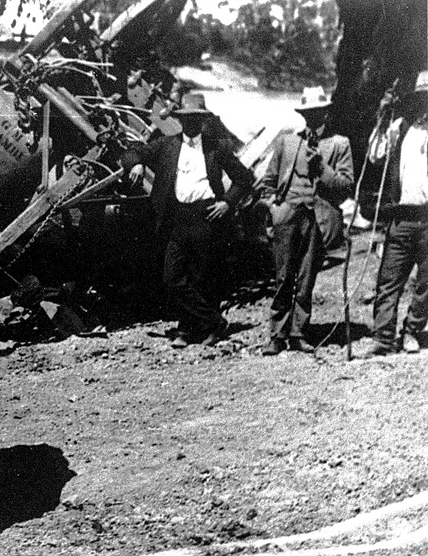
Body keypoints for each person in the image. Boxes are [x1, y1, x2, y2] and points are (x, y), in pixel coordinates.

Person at [123, 93, 255, 347]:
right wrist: (136, 164)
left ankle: (190, 329)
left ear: (203, 120)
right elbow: (132, 151)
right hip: (177, 218)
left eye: (196, 118)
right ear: (180, 120)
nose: (191, 123)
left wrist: (227, 202)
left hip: (207, 216)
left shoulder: (218, 147)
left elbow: (244, 178)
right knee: (172, 278)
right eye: (186, 118)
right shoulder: (166, 145)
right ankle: (213, 321)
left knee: (203, 276)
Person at [258, 86, 354, 355]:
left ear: (325, 113)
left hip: (318, 218)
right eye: (308, 113)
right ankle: (277, 335)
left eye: (318, 112)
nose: (313, 117)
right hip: (287, 216)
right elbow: (268, 181)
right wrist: (274, 208)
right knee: (283, 276)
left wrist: (322, 169)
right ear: (303, 114)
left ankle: (299, 333)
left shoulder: (339, 144)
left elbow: (346, 185)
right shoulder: (287, 142)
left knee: (306, 279)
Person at [358, 70, 428, 358]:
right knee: (389, 280)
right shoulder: (399, 128)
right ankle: (383, 338)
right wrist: (383, 117)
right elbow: (375, 155)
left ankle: (411, 331)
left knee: (427, 282)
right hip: (401, 217)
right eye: (422, 99)